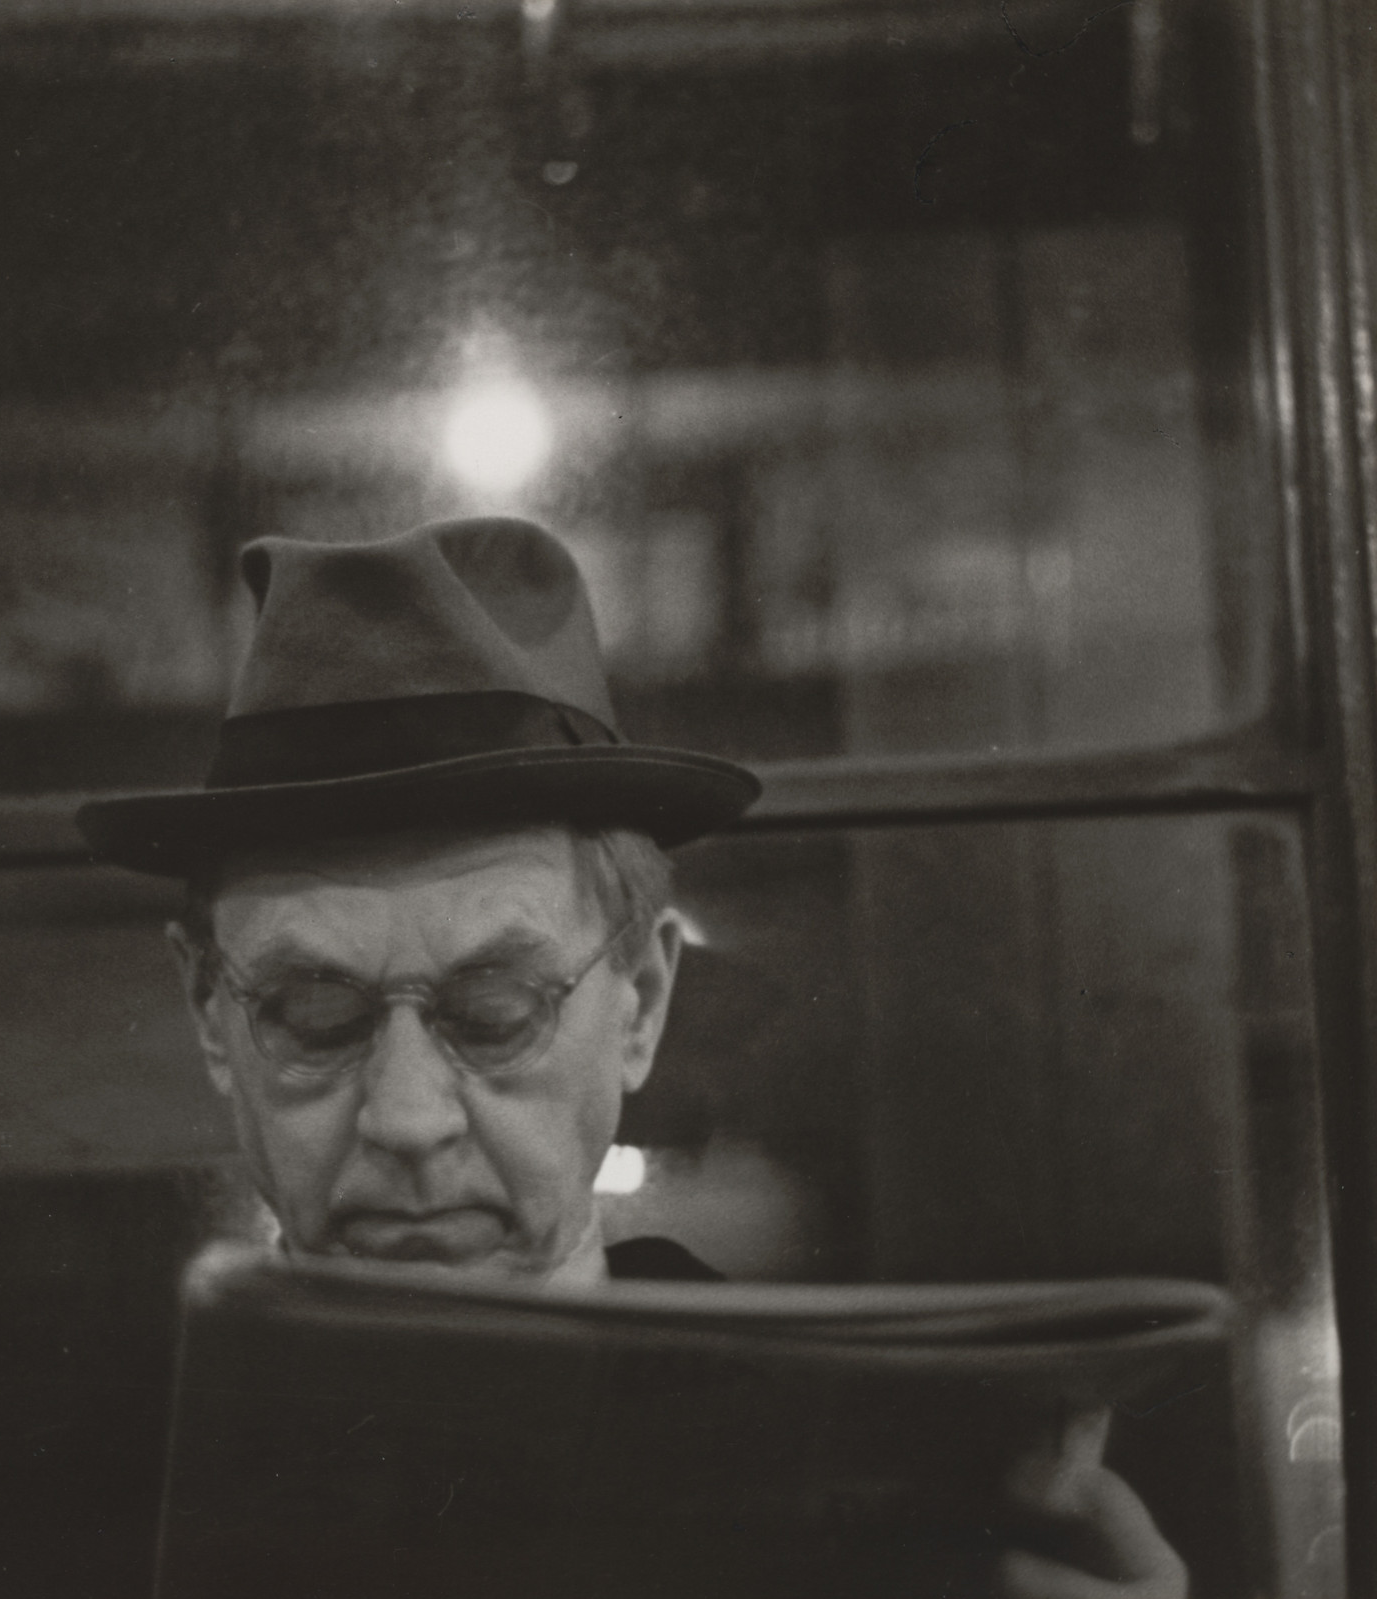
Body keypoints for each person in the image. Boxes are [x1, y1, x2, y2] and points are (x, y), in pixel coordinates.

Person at [77, 516, 1190, 1599]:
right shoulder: (55, 1494)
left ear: (642, 1002)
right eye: (313, 1012)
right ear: (206, 1013)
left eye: (495, 1007)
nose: (406, 1120)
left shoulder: (897, 1486)